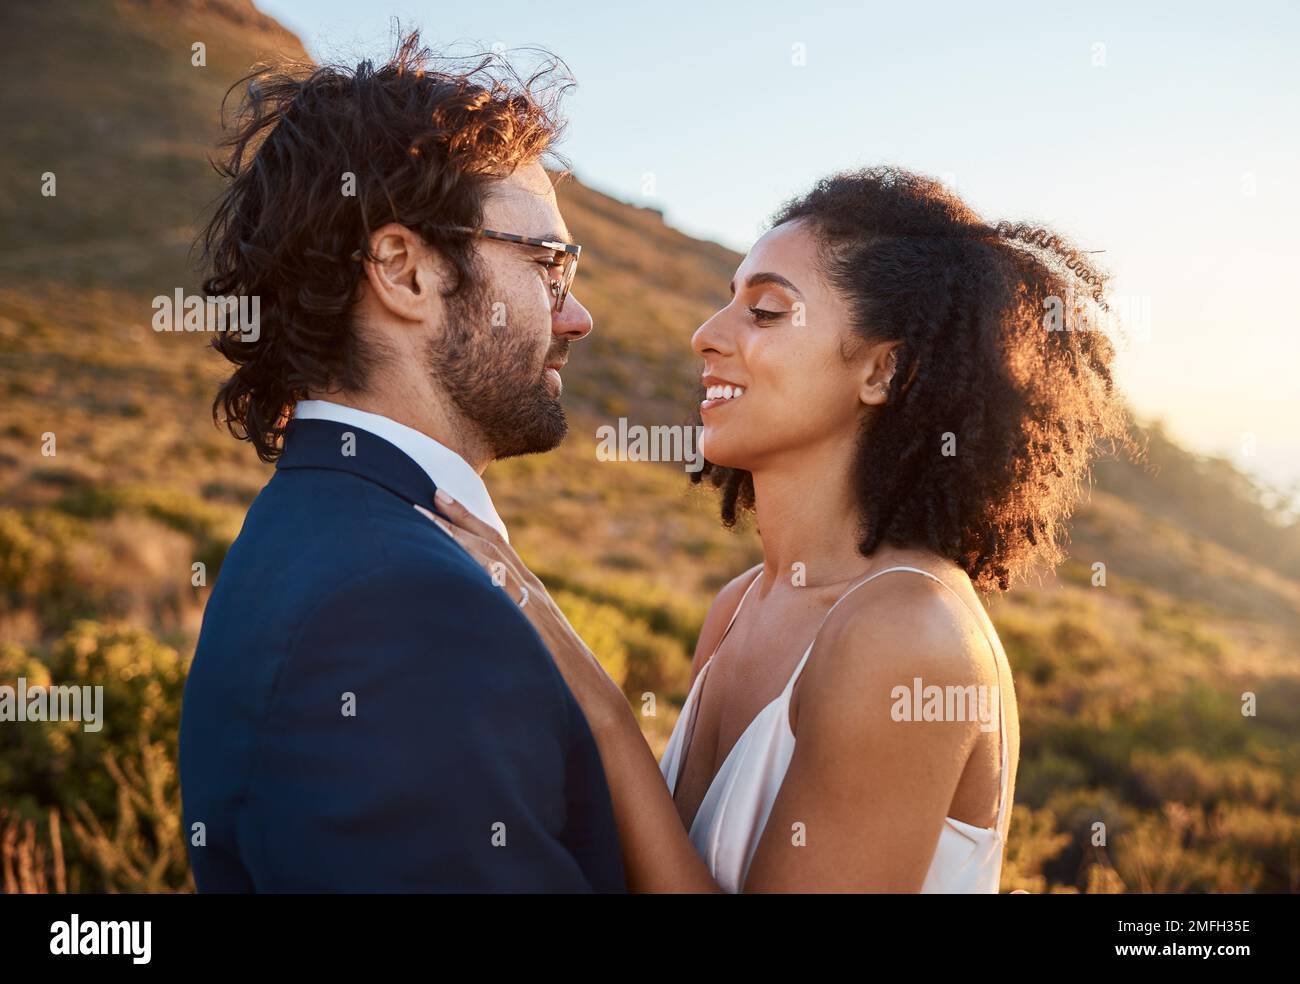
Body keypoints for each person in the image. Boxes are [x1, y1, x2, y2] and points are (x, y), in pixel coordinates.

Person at [435, 165, 1132, 892]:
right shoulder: (738, 608)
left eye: (766, 312)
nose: (706, 335)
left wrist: (601, 712)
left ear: (884, 372)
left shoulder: (910, 633)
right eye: (725, 302)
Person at [178, 32, 626, 892]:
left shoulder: (318, 531)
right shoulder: (401, 605)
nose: (579, 319)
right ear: (403, 272)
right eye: (547, 266)